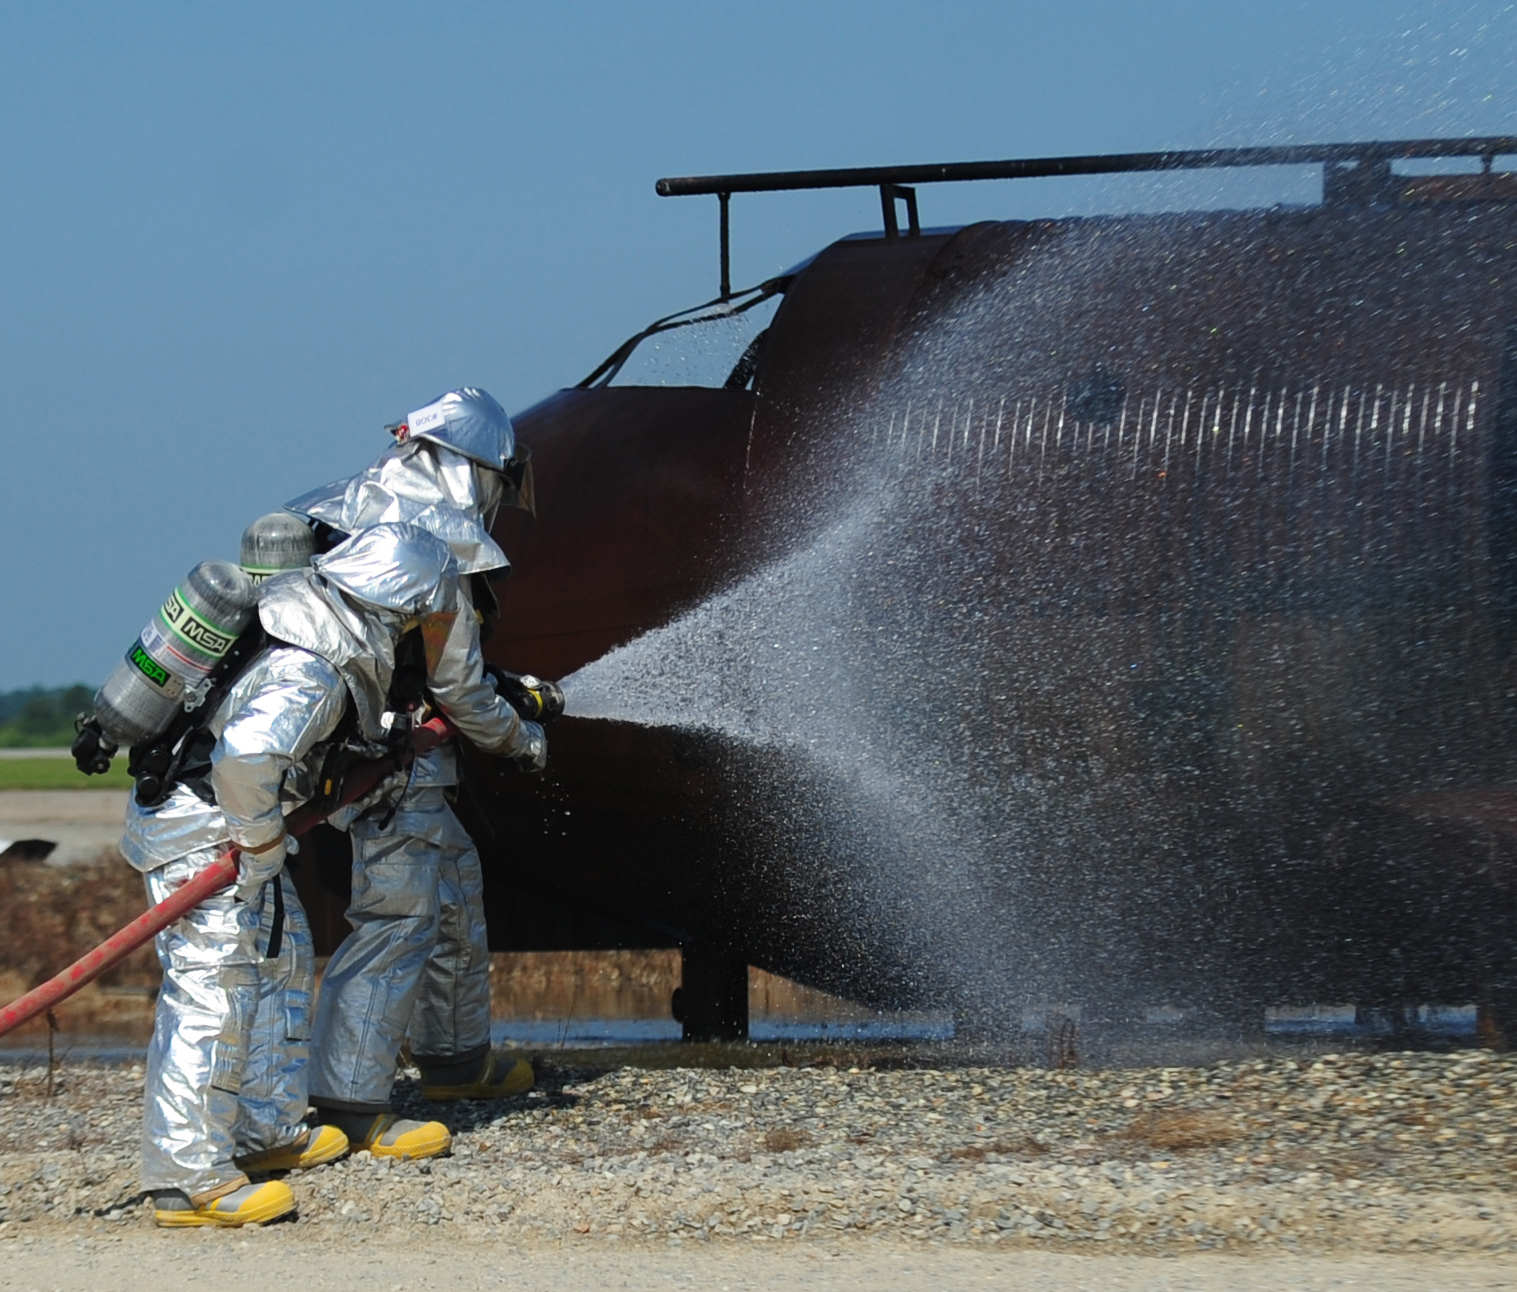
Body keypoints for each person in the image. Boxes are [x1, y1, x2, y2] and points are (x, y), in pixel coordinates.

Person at [123, 522, 460, 1226]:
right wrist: (263, 843)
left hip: (229, 824)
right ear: (396, 600)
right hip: (202, 829)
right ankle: (188, 1181)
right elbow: (245, 757)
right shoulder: (313, 659)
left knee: (278, 964)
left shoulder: (322, 620)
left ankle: (264, 1133)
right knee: (215, 993)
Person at [286, 387, 546, 1159]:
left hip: (339, 749)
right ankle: (349, 1104)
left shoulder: (339, 507)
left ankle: (454, 1060)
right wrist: (522, 739)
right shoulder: (435, 543)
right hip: (387, 770)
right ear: (472, 470)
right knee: (397, 923)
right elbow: (457, 685)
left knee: (454, 885)